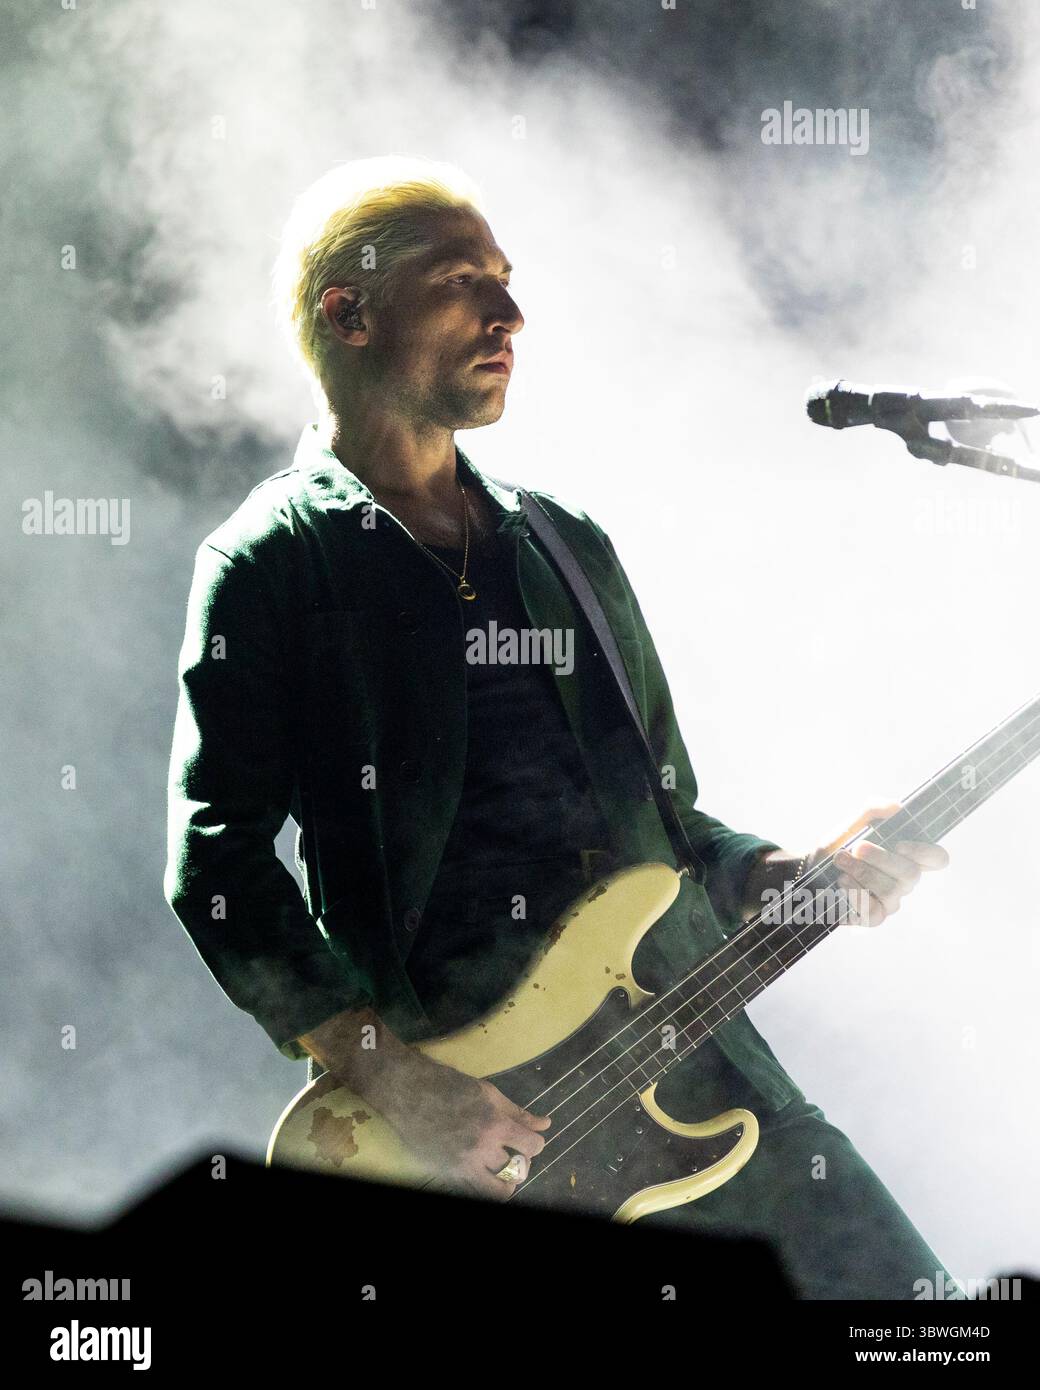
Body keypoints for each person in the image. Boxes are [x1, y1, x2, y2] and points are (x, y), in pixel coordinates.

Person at [164, 155, 954, 1299]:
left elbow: (671, 830)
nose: (509, 314)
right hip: (500, 1138)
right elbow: (216, 863)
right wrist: (390, 1076)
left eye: (506, 279)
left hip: (712, 1076)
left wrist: (794, 872)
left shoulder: (563, 544)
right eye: (460, 282)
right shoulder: (273, 563)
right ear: (351, 311)